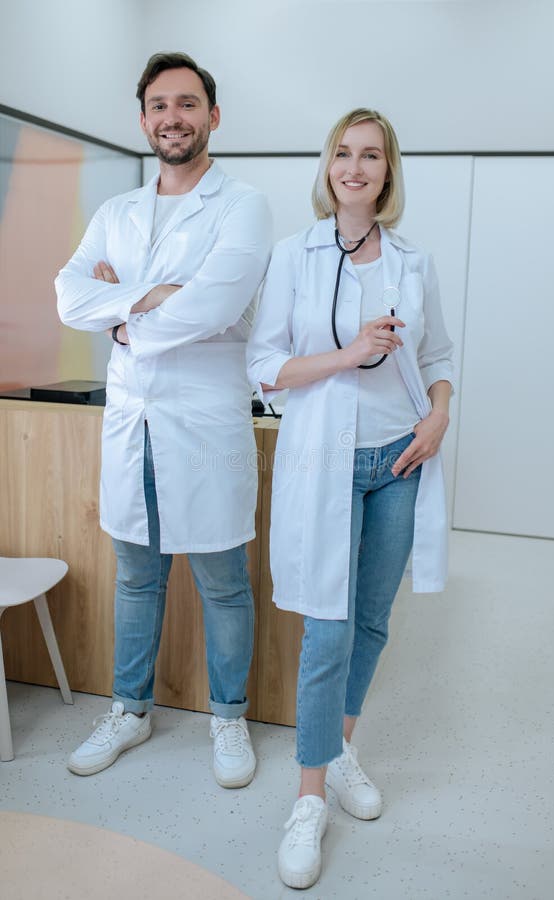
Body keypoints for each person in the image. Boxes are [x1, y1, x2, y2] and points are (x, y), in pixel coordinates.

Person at [247, 108, 453, 888]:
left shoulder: (412, 259)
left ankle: (338, 752)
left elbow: (437, 353)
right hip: (324, 463)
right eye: (343, 153)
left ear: (388, 171)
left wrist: (437, 415)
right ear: (328, 166)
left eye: (371, 155)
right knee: (325, 631)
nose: (355, 166)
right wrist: (348, 352)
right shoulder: (292, 256)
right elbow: (263, 365)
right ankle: (307, 800)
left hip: (398, 458)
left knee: (370, 621)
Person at [56, 52, 272, 787]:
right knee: (137, 577)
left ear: (212, 116)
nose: (171, 117)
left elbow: (215, 305)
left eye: (186, 104)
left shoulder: (242, 205)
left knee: (221, 580)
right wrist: (155, 297)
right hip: (132, 423)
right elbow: (66, 296)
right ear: (142, 119)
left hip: (204, 422)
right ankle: (130, 710)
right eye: (158, 105)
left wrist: (119, 314)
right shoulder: (116, 212)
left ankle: (229, 717)